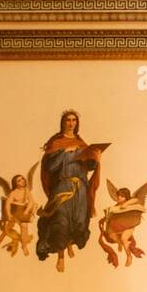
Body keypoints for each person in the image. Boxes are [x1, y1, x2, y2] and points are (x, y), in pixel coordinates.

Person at [36, 109, 108, 272]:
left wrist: (96, 160)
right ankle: (61, 257)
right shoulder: (56, 143)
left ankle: (69, 244)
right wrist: (63, 153)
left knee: (79, 221)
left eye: (74, 120)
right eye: (68, 120)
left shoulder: (81, 143)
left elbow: (88, 167)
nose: (71, 123)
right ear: (63, 122)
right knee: (61, 221)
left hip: (80, 188)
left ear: (77, 123)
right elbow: (50, 167)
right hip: (63, 186)